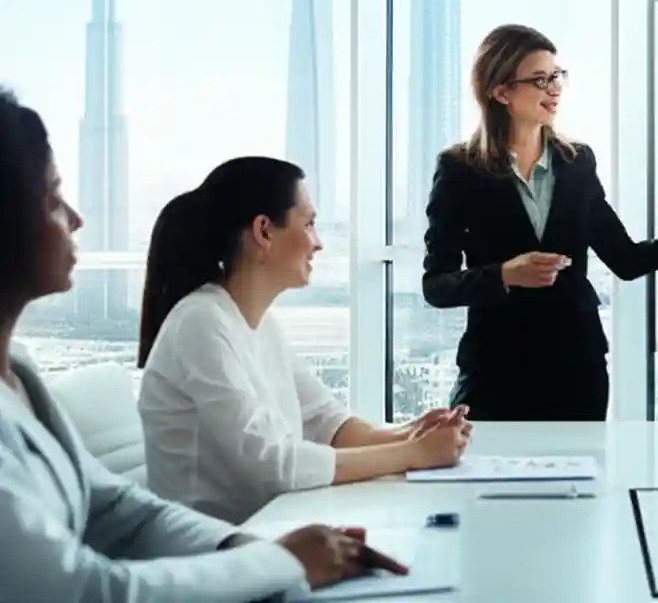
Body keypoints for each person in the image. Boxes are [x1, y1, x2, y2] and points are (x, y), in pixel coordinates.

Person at [0, 90, 404, 600]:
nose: (76, 220)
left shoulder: (21, 377)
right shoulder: (200, 320)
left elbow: (117, 510)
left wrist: (255, 550)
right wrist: (277, 560)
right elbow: (85, 590)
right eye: (53, 198)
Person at [421, 23, 658, 421]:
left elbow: (627, 259)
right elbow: (436, 286)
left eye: (556, 76)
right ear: (500, 92)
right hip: (495, 370)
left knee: (581, 482)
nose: (554, 89)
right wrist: (503, 275)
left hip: (576, 367)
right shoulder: (460, 169)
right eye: (539, 79)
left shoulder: (576, 163)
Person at [138, 157, 472, 524]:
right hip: (219, 549)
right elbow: (272, 465)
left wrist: (411, 435)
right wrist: (413, 454)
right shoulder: (200, 323)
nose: (318, 244)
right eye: (309, 224)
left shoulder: (258, 323)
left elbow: (327, 424)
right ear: (263, 231)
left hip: (272, 528)